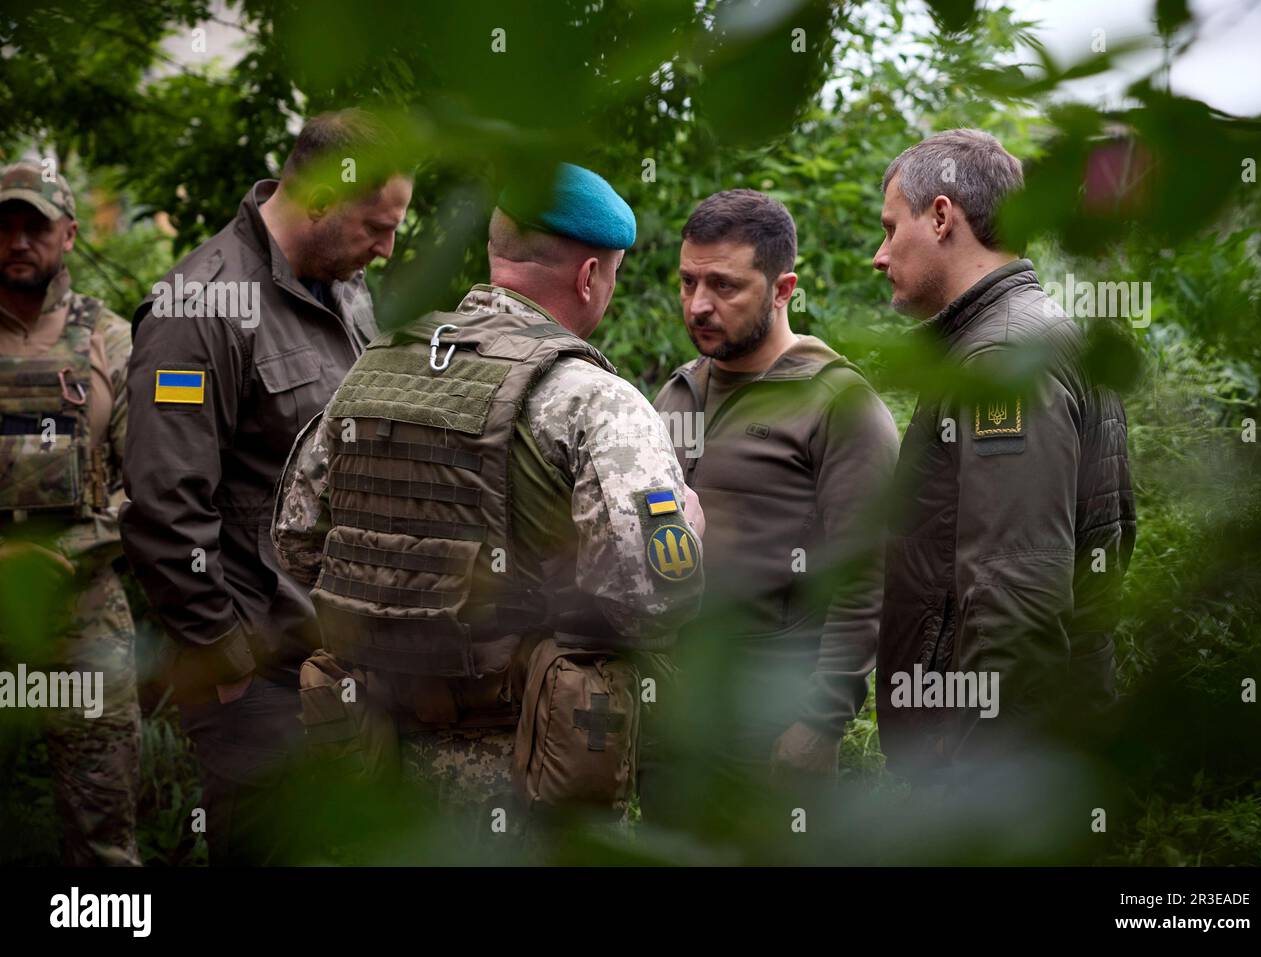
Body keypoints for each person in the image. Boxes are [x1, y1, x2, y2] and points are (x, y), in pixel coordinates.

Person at [272, 162, 704, 823]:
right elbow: (651, 597)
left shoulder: (374, 368)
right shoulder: (595, 401)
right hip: (528, 772)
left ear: (496, 255)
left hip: (378, 765)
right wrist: (690, 534)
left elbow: (298, 542)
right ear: (590, 277)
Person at [120, 110, 412, 864]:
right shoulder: (201, 308)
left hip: (345, 659)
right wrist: (225, 661)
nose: (385, 249)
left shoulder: (343, 290)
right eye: (375, 228)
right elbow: (164, 505)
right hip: (262, 681)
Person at [871, 129, 1136, 783]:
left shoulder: (1002, 359)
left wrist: (975, 769)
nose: (880, 256)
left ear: (940, 216)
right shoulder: (1028, 335)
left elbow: (1015, 593)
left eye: (889, 227)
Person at [643, 189, 898, 818]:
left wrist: (821, 722)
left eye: (725, 286)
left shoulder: (837, 403)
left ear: (783, 289)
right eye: (687, 282)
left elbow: (868, 575)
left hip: (769, 721)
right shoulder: (676, 393)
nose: (699, 305)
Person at [0, 161, 140, 865]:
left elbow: (149, 485)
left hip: (83, 608)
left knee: (102, 833)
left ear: (70, 234)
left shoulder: (110, 340)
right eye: (4, 226)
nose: (18, 240)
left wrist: (78, 548)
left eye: (35, 226)